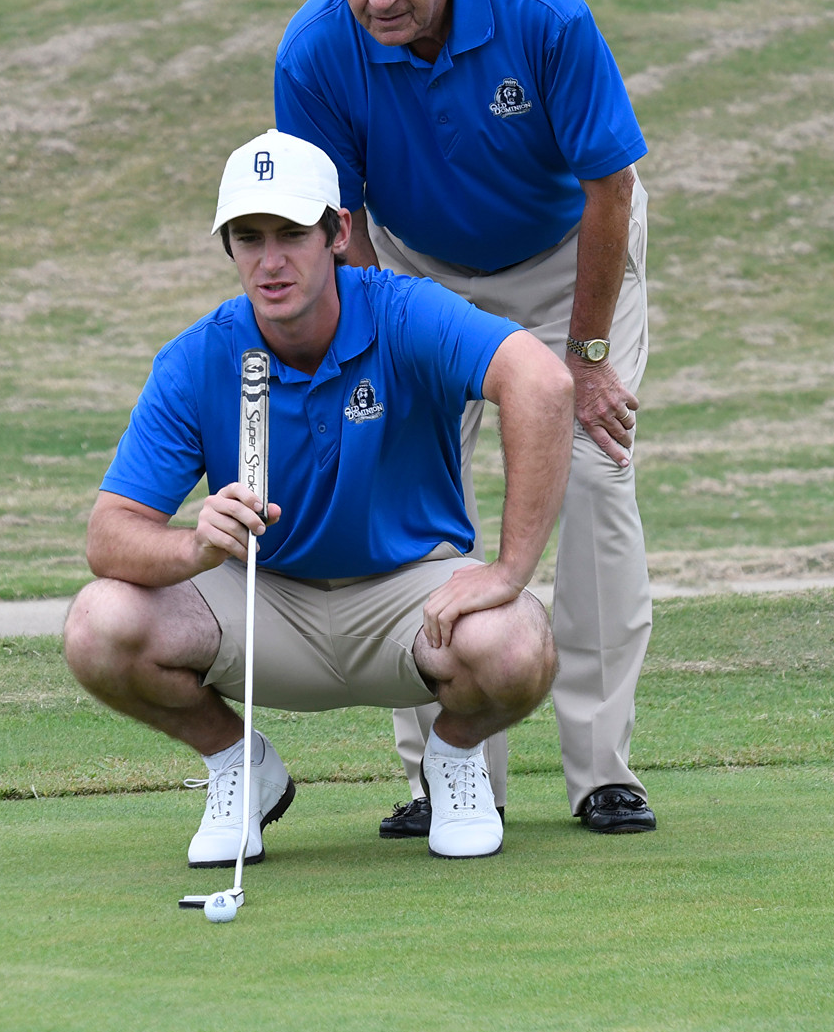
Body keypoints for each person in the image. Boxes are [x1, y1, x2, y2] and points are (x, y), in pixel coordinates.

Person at [276, 0, 659, 835]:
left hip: (565, 259)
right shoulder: (314, 52)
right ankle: (446, 775)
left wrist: (585, 360)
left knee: (593, 476)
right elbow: (336, 233)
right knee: (411, 490)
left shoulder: (541, 12)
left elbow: (608, 186)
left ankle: (601, 768)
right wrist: (376, 364)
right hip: (414, 272)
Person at [62, 129, 574, 862]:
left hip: (407, 601)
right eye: (248, 237)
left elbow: (542, 383)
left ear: (337, 232)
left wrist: (509, 571)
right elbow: (107, 534)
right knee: (97, 622)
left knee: (519, 641)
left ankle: (453, 756)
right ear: (228, 248)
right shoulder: (197, 356)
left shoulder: (403, 312)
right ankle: (239, 767)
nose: (270, 261)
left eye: (291, 234)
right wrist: (196, 545)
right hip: (261, 601)